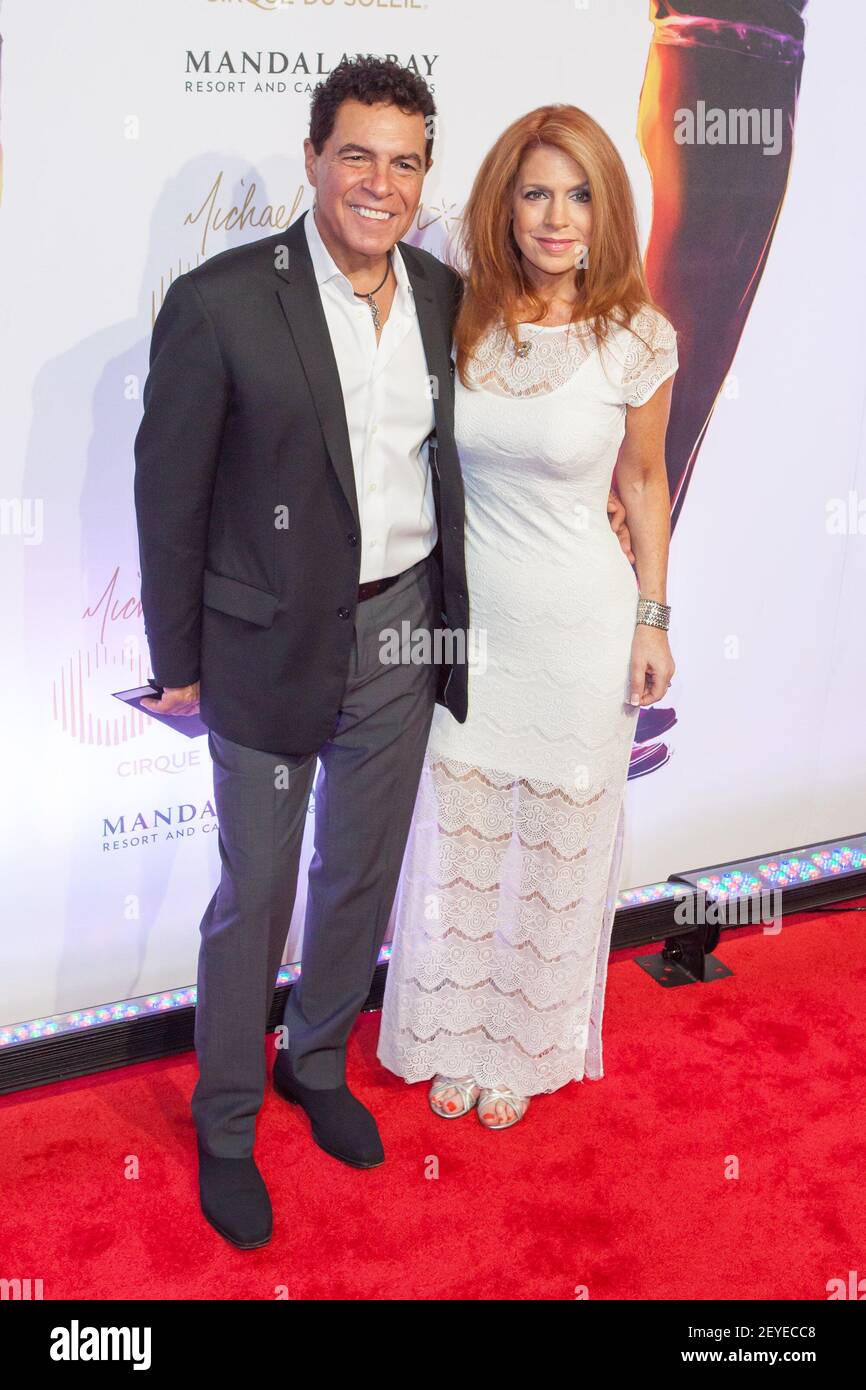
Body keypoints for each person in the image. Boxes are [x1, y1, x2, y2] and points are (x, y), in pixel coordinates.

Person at [133, 61, 631, 1249]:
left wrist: (606, 509)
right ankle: (227, 1116)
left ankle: (316, 1061)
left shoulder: (443, 292)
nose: (380, 182)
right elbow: (169, 495)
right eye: (357, 155)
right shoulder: (219, 303)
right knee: (252, 895)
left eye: (404, 162)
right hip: (264, 645)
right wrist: (178, 656)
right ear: (313, 159)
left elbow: (520, 418)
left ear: (423, 177)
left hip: (406, 627)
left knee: (357, 872)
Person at [377, 104, 678, 1130]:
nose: (556, 217)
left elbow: (644, 486)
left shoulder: (635, 336)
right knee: (461, 840)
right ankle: (453, 1032)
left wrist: (652, 616)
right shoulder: (463, 318)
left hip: (582, 625)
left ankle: (526, 1043)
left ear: (607, 210)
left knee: (556, 845)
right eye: (536, 191)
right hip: (470, 632)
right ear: (504, 205)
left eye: (579, 193)